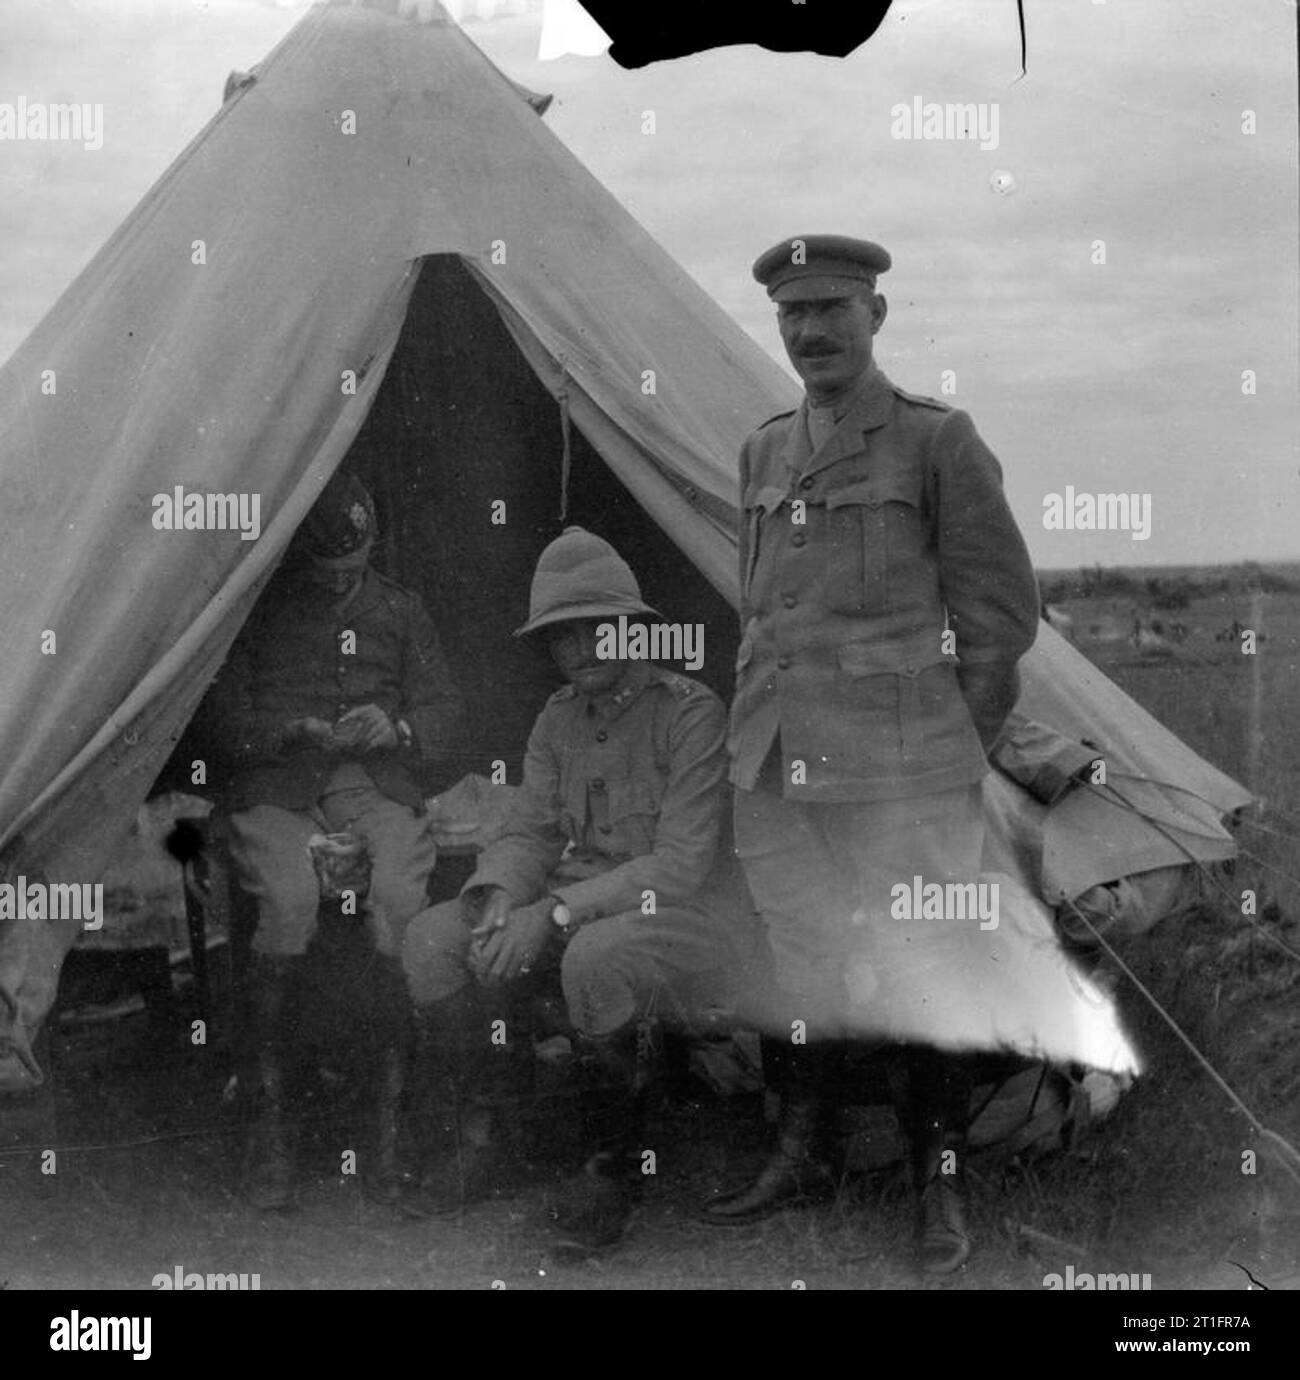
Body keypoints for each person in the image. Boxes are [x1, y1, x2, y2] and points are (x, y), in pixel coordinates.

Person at [703, 235, 1040, 1273]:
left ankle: (937, 1187)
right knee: (795, 960)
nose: (810, 333)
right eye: (792, 316)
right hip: (772, 767)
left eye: (831, 311)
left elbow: (1000, 621)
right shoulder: (762, 449)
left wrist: (945, 750)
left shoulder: (938, 442)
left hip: (901, 776)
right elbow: (768, 614)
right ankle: (798, 1153)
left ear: (877, 316)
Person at [402, 526, 758, 1256]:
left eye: (595, 629)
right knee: (431, 939)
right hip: (575, 906)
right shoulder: (557, 719)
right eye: (560, 637)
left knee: (591, 956)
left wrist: (553, 912)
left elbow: (682, 864)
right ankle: (493, 1136)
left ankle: (611, 1172)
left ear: (630, 625)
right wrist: (496, 897)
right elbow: (530, 832)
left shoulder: (689, 712)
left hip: (681, 914)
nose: (578, 649)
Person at [200, 470, 465, 1210]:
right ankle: (270, 1128)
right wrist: (288, 732)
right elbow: (218, 725)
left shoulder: (404, 614)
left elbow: (449, 715)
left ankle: (390, 1130)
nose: (337, 583)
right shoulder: (258, 608)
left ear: (373, 544)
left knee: (399, 905)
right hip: (282, 788)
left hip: (376, 788)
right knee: (287, 902)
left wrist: (400, 726)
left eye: (351, 569)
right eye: (325, 571)